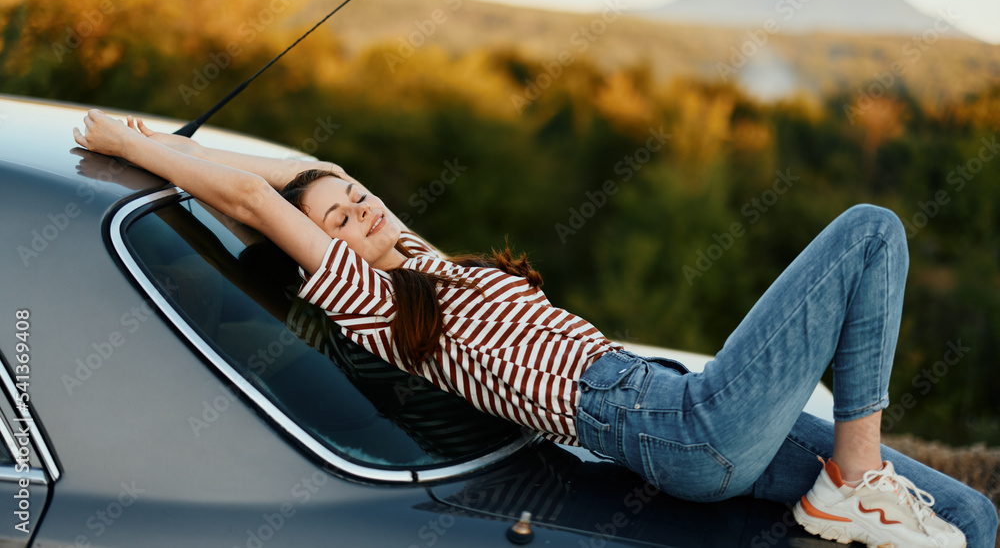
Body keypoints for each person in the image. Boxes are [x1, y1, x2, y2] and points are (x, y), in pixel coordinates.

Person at [74, 109, 998, 548]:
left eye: (360, 200)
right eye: (342, 219)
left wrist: (203, 144)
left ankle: (858, 480)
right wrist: (138, 148)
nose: (361, 207)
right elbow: (247, 197)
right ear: (324, 255)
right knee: (871, 230)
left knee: (971, 515)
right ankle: (858, 478)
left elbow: (311, 165)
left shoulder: (429, 267)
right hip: (671, 428)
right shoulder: (373, 304)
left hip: (672, 399)